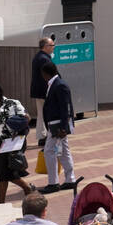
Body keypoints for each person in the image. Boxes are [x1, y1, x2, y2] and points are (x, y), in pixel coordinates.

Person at [39, 61, 76, 194]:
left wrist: (63, 127)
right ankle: (70, 179)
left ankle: (53, 182)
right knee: (63, 151)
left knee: (49, 151)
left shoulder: (59, 85)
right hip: (56, 124)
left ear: (45, 74)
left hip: (58, 125)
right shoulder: (54, 84)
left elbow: (65, 107)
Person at [30, 36, 55, 145]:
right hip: (44, 91)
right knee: (46, 114)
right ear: (45, 46)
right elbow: (52, 74)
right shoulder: (44, 59)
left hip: (39, 91)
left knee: (41, 113)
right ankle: (44, 137)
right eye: (52, 45)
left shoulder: (39, 57)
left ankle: (42, 136)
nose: (54, 47)